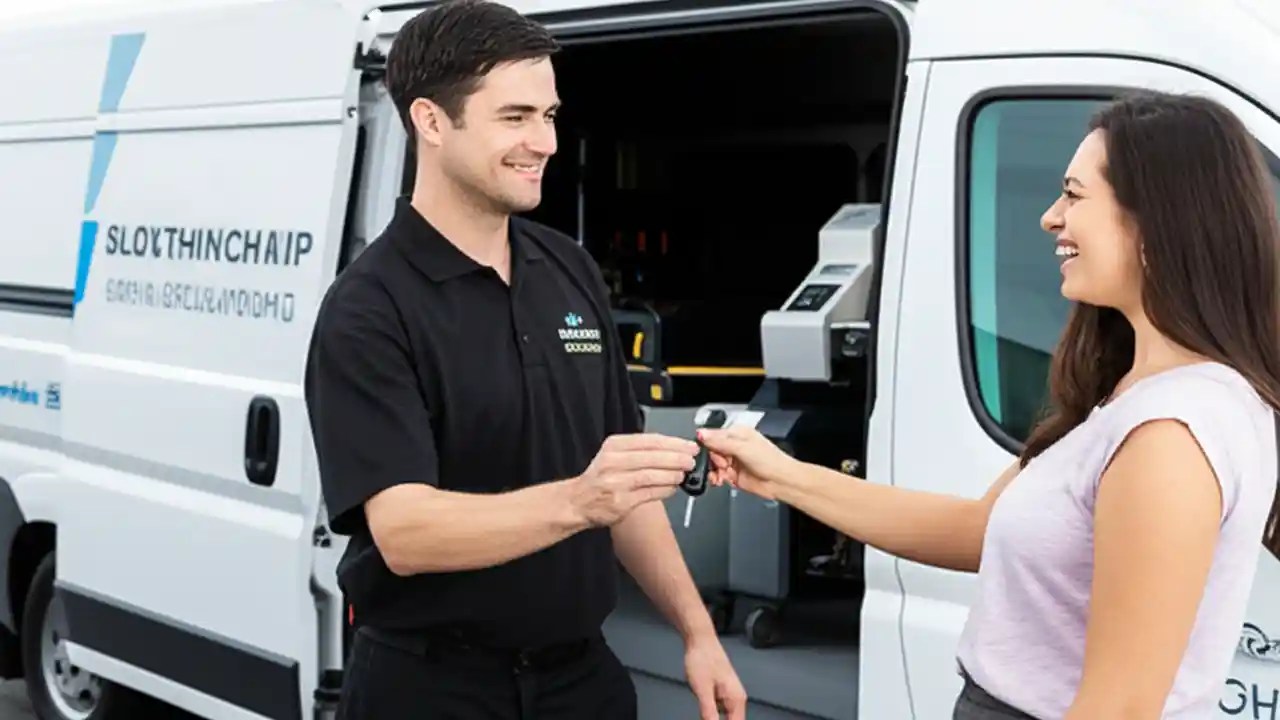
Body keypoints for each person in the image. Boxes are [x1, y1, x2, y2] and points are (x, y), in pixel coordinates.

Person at [698, 90, 1280, 720]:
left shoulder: (1172, 433)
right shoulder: (1134, 394)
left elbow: (1118, 708)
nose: (1051, 217)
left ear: (1156, 224)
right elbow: (979, 529)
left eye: (1075, 195)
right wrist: (781, 474)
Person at [302, 1, 746, 718]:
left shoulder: (567, 269)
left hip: (583, 682)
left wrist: (697, 633)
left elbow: (619, 478)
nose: (543, 142)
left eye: (549, 115)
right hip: (432, 689)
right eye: (515, 117)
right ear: (432, 122)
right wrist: (581, 500)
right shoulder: (369, 309)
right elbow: (405, 533)